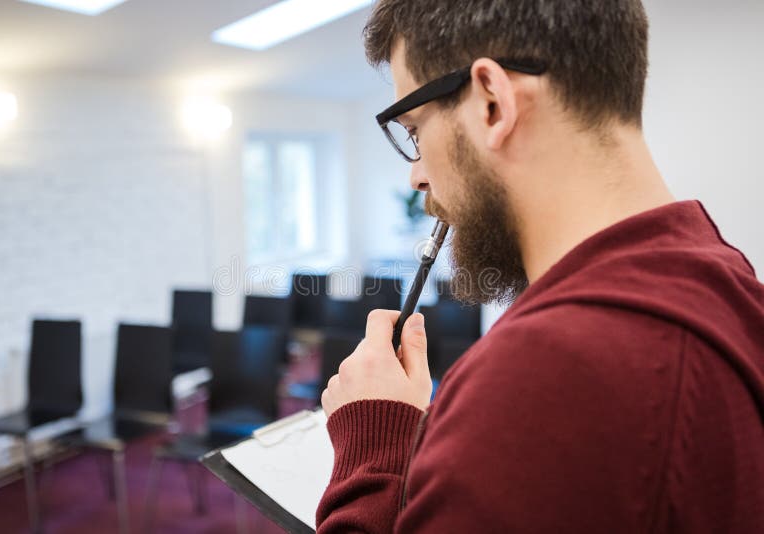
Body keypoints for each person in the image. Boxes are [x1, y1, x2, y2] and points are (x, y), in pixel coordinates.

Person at [317, 0, 764, 532]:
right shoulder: (727, 280)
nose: (416, 176)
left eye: (415, 132)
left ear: (492, 103)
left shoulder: (541, 378)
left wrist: (373, 448)